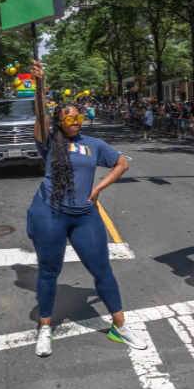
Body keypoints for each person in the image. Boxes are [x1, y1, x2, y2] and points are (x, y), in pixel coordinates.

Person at [28, 59, 144, 357]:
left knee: (103, 271)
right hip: (49, 213)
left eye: (79, 117)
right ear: (58, 122)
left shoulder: (93, 143)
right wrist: (40, 84)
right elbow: (41, 115)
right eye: (69, 118)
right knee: (49, 271)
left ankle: (120, 326)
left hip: (85, 216)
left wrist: (99, 188)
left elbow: (122, 163)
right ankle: (44, 328)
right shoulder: (49, 141)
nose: (76, 121)